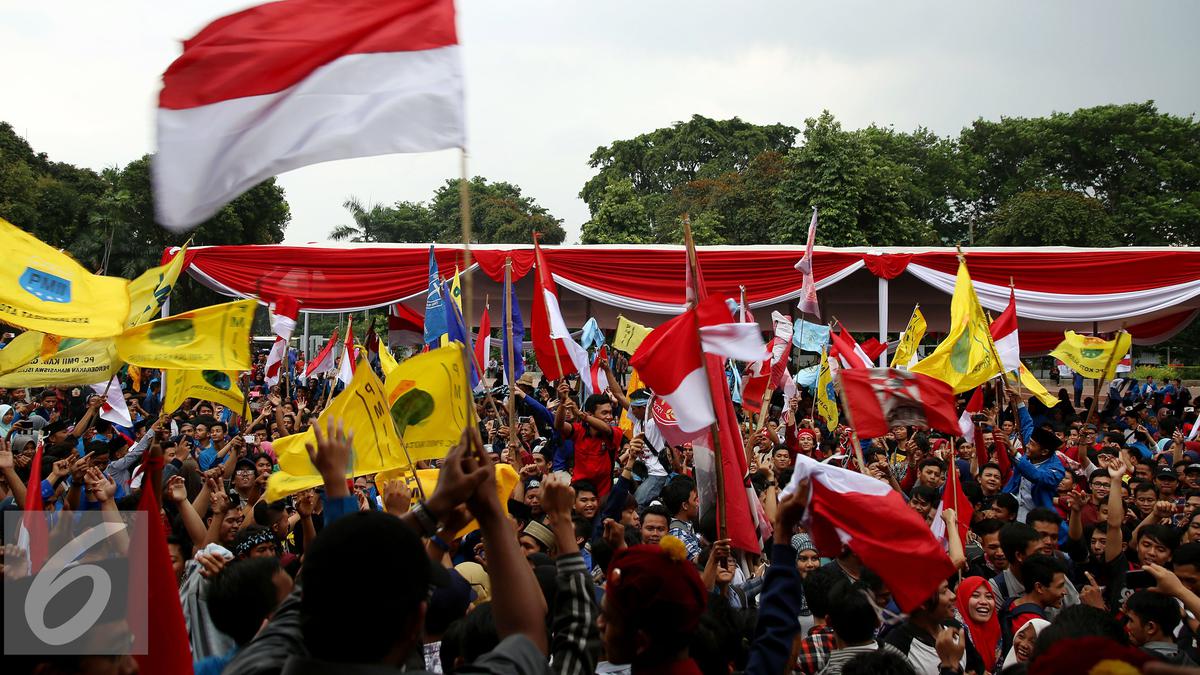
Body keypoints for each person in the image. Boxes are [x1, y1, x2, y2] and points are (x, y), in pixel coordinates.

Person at [1123, 589, 1197, 665]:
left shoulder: (1132, 663)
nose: (1127, 626)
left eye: (1131, 620)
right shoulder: (1192, 666)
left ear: (1150, 627)